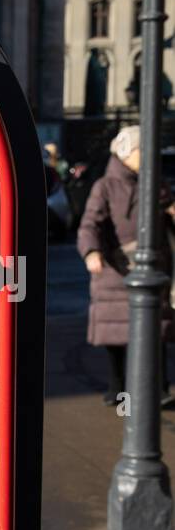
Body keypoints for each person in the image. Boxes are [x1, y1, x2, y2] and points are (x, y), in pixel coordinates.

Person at [77, 125, 175, 407]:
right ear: (125, 152)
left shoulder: (155, 183)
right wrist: (91, 252)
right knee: (118, 336)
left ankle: (158, 388)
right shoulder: (105, 186)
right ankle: (119, 389)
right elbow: (89, 224)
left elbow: (167, 211)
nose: (148, 155)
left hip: (153, 267)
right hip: (115, 270)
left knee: (156, 331)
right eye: (142, 150)